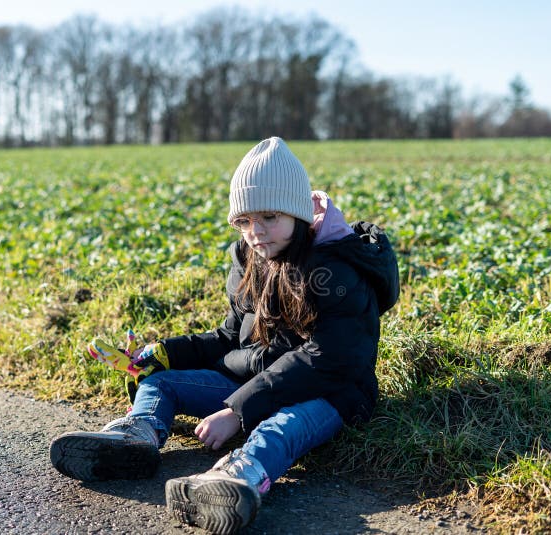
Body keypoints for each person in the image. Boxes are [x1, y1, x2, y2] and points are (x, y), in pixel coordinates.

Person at [49, 137, 400, 534]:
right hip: (253, 385)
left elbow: (331, 358)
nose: (257, 232)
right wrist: (163, 352)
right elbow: (230, 336)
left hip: (331, 393)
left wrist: (238, 410)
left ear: (298, 214)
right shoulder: (249, 258)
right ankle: (137, 436)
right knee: (162, 383)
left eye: (269, 217)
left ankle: (241, 475)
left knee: (279, 426)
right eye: (245, 221)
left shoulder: (335, 270)